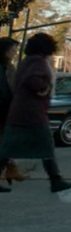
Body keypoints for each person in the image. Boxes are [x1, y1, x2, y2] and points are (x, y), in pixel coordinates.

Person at [0, 33, 71, 194]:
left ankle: (56, 180)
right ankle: (56, 180)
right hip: (32, 113)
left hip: (20, 112)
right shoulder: (38, 62)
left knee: (8, 149)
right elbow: (32, 80)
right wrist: (44, 87)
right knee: (46, 146)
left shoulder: (26, 61)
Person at [0, 38, 28, 187]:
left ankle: (11, 169)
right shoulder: (5, 68)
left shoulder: (8, 67)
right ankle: (11, 169)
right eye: (12, 51)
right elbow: (6, 90)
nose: (14, 54)